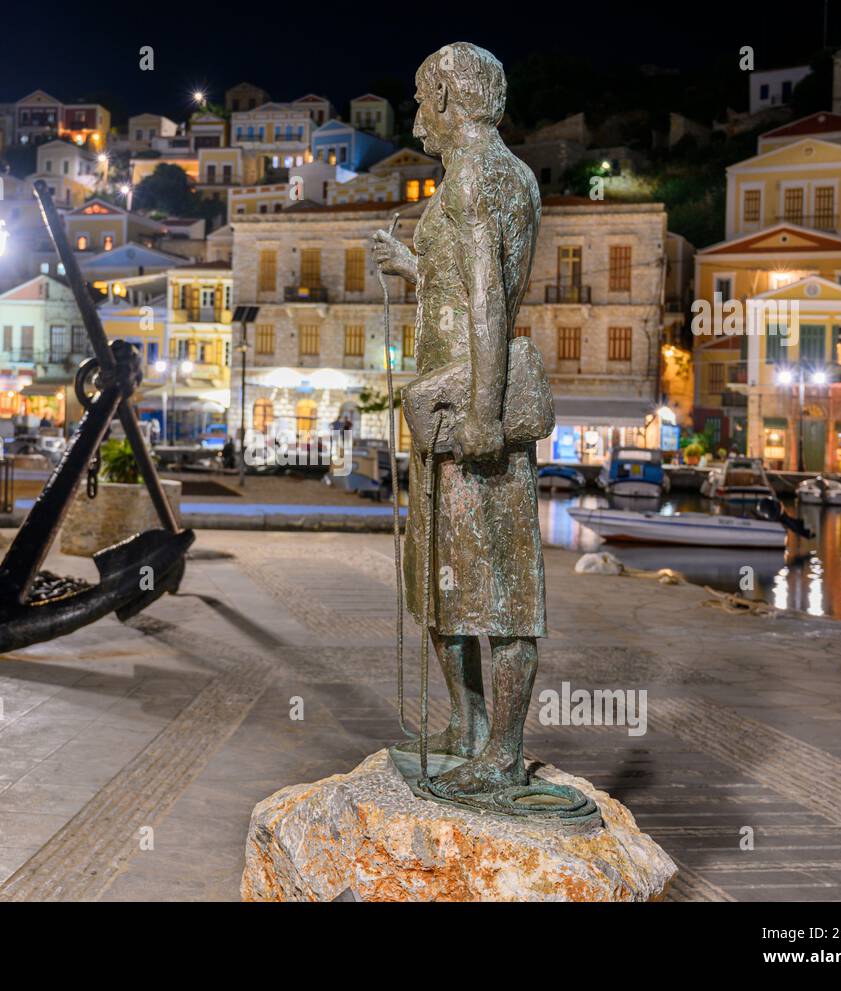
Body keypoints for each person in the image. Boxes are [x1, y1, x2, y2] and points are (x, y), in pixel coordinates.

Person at [371, 42, 544, 799]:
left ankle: (500, 751)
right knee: (441, 585)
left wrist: (479, 416)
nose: (416, 115)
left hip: (470, 412)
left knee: (498, 592)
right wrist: (413, 266)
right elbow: (464, 282)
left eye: (420, 98)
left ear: (447, 97)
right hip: (445, 406)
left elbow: (488, 302)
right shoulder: (492, 179)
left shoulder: (477, 176)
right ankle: (468, 727)